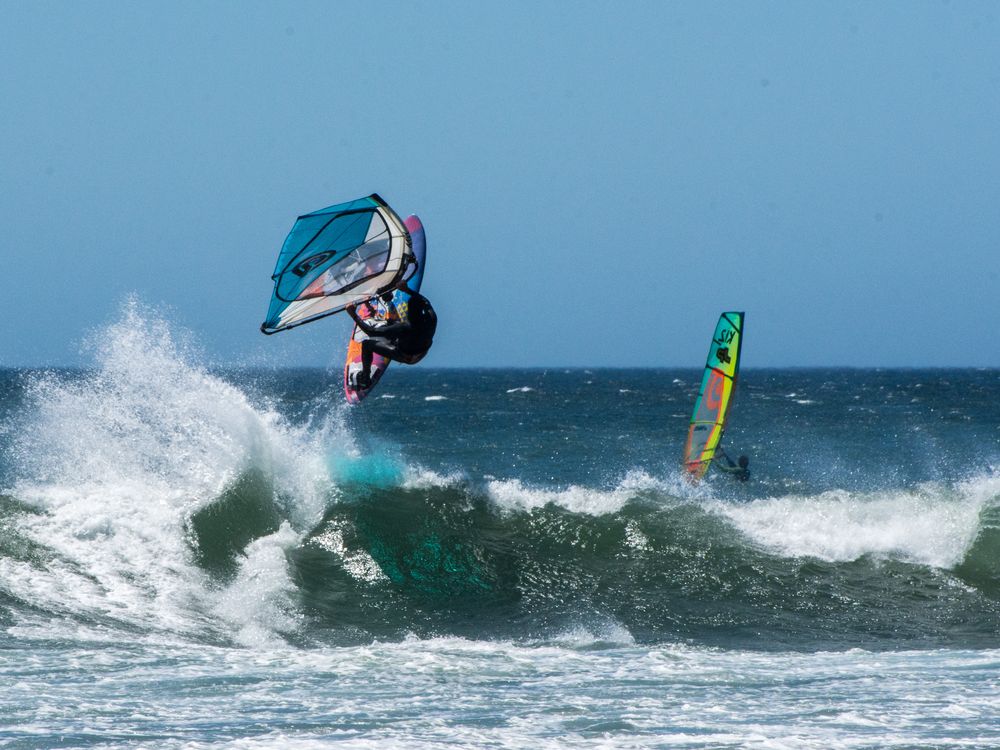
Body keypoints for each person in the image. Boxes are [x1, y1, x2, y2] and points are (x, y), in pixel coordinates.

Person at [345, 276, 437, 389]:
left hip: (407, 356)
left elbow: (371, 332)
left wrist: (353, 314)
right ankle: (387, 300)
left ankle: (365, 378)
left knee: (367, 344)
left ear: (409, 314)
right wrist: (407, 290)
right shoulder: (431, 318)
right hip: (422, 350)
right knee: (394, 325)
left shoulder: (405, 328)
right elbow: (425, 302)